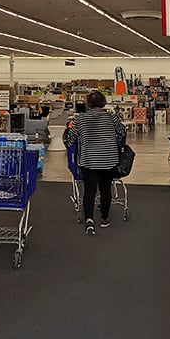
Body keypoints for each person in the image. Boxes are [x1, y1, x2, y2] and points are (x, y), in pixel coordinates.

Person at [65, 90, 125, 236]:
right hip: (108, 159)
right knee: (105, 189)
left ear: (88, 103)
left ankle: (89, 221)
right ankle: (104, 218)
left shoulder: (80, 119)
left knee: (89, 191)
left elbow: (70, 139)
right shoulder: (112, 117)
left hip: (89, 160)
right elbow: (122, 132)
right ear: (103, 102)